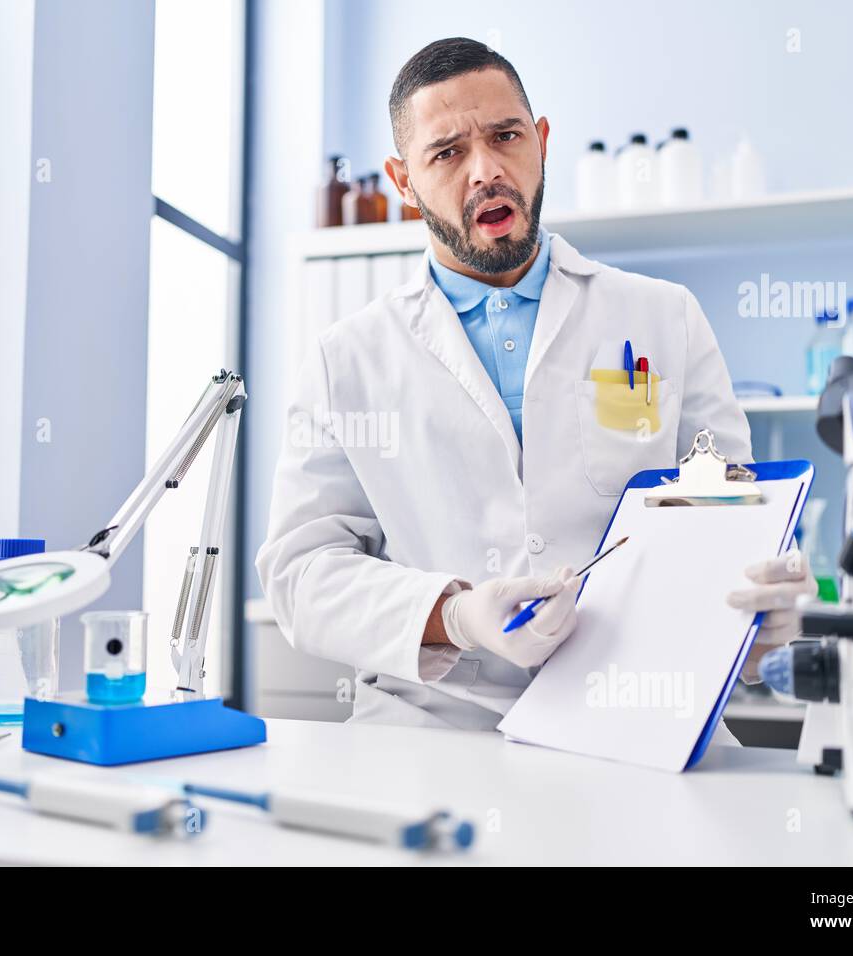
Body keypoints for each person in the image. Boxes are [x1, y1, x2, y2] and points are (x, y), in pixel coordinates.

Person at [257, 37, 814, 732]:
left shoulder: (663, 317)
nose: (486, 170)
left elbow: (734, 517)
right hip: (429, 723)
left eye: (505, 136)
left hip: (640, 711)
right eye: (447, 153)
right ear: (403, 183)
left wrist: (758, 615)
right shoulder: (348, 359)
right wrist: (453, 616)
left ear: (541, 141)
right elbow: (300, 573)